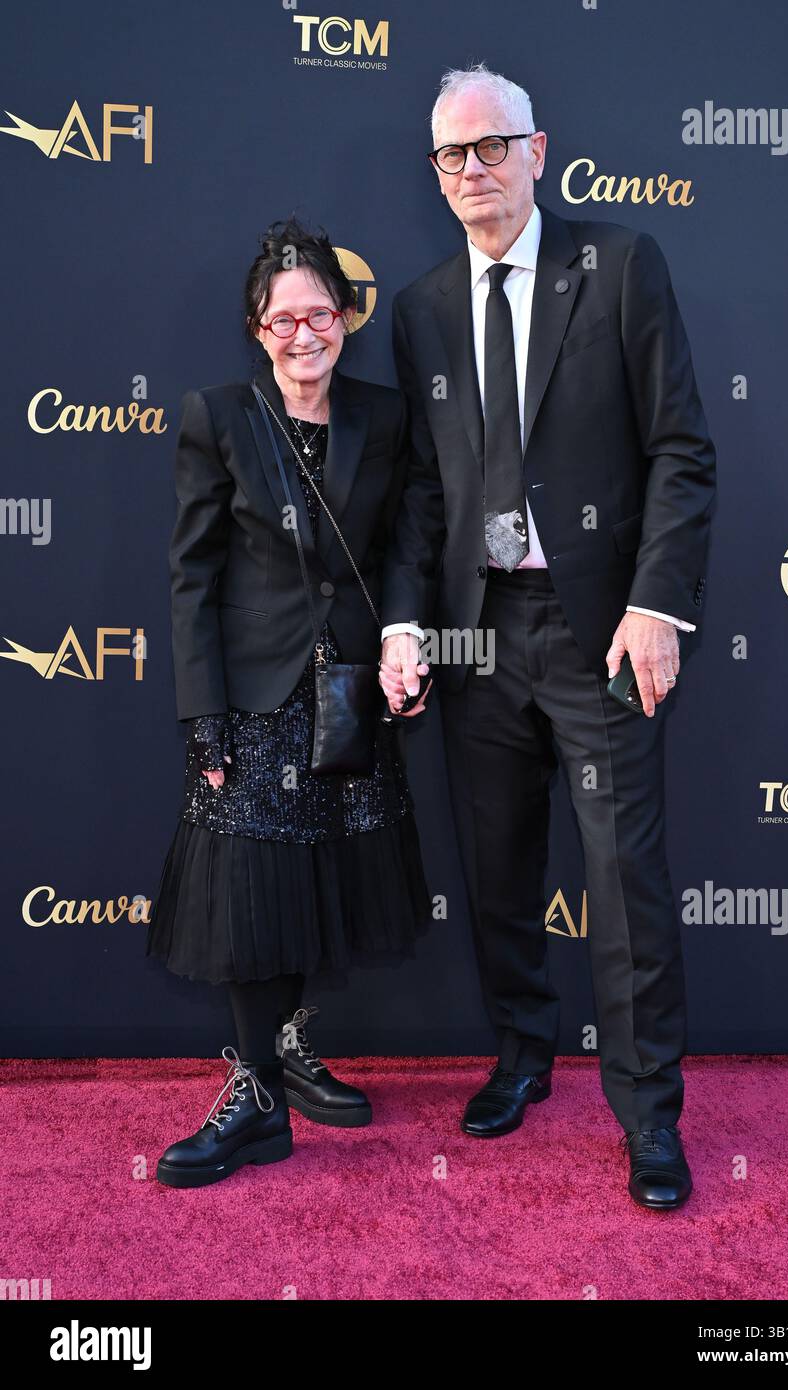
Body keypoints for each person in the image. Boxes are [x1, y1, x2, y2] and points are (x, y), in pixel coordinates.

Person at [379, 65, 716, 1210]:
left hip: (602, 629)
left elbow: (681, 448)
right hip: (479, 635)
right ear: (434, 175)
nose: (471, 170)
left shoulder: (619, 266)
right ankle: (523, 1056)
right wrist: (410, 621)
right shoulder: (423, 306)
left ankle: (648, 1113)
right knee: (497, 871)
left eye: (491, 147)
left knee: (624, 879)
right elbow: (427, 491)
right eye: (450, 156)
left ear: (538, 150)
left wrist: (657, 603)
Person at [146, 215, 432, 1189]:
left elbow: (404, 546)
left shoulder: (386, 419)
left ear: (347, 318)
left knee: (323, 883)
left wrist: (401, 632)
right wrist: (205, 715)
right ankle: (256, 1095)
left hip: (347, 693)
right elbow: (192, 577)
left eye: (320, 314)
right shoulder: (216, 416)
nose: (303, 333)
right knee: (249, 896)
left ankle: (290, 1045)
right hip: (255, 695)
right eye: (282, 320)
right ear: (256, 329)